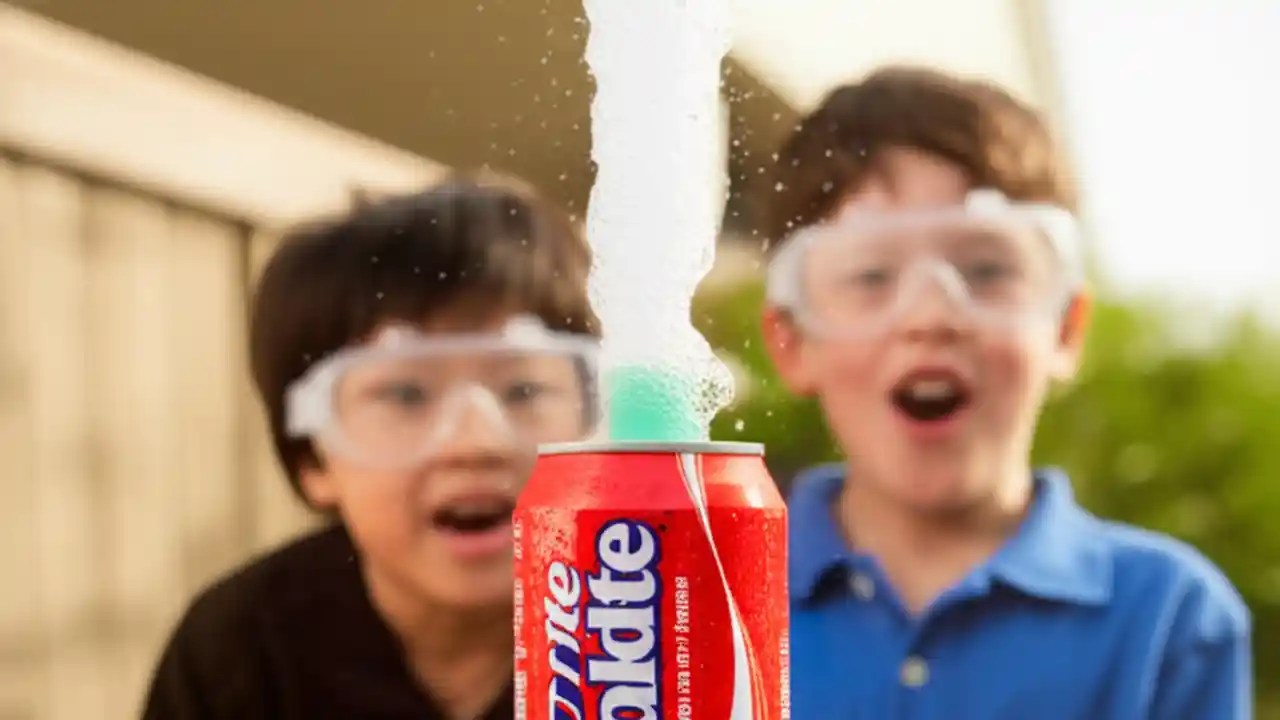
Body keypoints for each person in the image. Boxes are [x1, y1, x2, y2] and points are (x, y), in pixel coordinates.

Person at [761, 66, 1252, 719]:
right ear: (793, 342)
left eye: (985, 270)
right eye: (872, 274)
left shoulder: (1168, 614)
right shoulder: (708, 596)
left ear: (1067, 327)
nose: (930, 316)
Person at [142, 173, 601, 719]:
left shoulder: (657, 625)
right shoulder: (241, 648)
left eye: (524, 390)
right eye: (405, 395)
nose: (474, 442)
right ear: (313, 458)